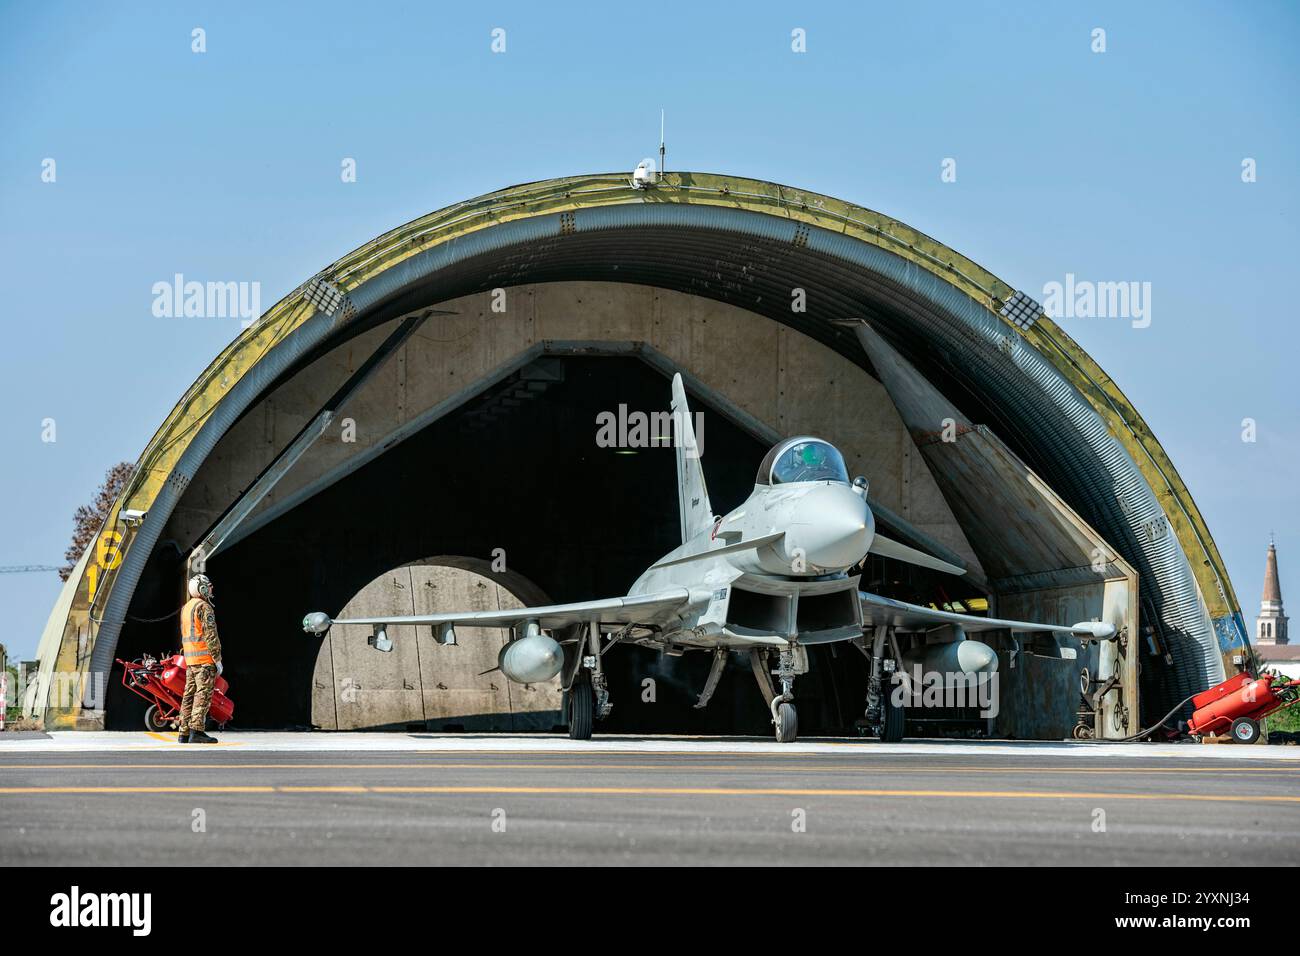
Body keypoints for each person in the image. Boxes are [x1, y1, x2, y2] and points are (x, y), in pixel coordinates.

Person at [178, 573, 223, 744]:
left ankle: (183, 732)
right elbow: (211, 635)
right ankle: (196, 731)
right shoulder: (204, 607)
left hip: (191, 661)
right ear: (201, 588)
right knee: (202, 695)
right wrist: (217, 659)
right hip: (204, 660)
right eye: (208, 586)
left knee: (188, 695)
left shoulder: (187, 607)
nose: (210, 589)